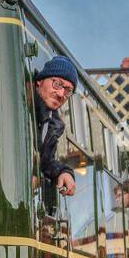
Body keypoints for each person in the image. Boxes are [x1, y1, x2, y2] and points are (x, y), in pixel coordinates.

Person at [33, 56, 77, 197]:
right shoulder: (20, 105)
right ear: (39, 81)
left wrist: (63, 172)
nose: (61, 94)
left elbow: (46, 162)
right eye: (57, 84)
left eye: (68, 90)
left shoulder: (52, 124)